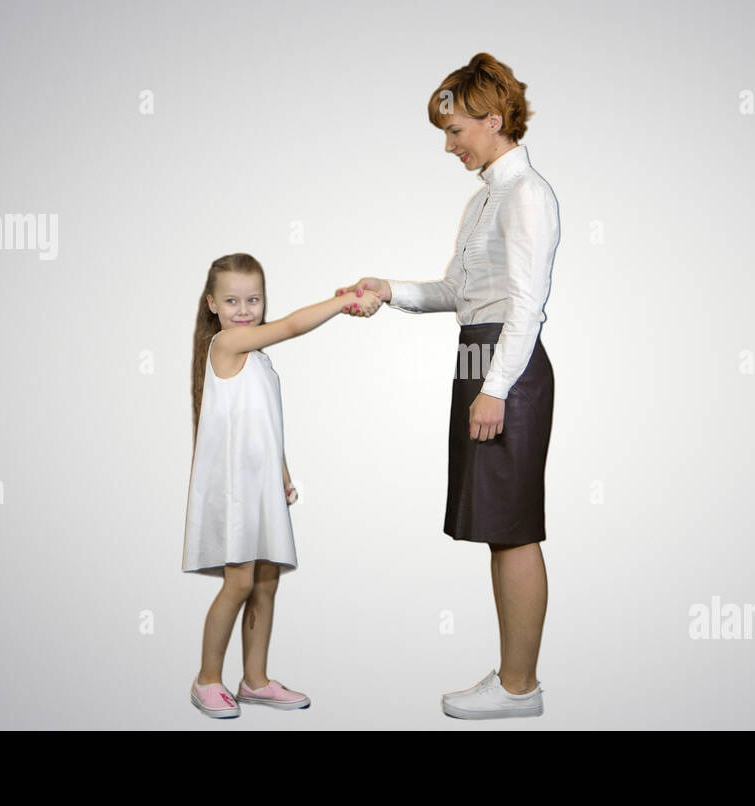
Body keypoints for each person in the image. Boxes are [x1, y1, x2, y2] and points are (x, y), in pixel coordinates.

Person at [337, 53, 559, 719]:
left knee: (515, 527)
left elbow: (527, 305)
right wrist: (388, 290)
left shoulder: (528, 195)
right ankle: (512, 676)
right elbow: (460, 292)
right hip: (479, 359)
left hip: (505, 368)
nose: (448, 144)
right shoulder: (485, 196)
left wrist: (494, 388)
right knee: (498, 526)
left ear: (493, 121)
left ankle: (521, 687)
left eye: (456, 129)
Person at [184, 252, 380, 718]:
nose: (244, 308)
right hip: (235, 487)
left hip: (262, 484)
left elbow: (264, 423)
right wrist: (344, 302)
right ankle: (206, 679)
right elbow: (292, 325)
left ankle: (255, 680)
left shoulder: (257, 358)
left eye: (253, 298)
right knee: (239, 581)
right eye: (231, 300)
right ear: (212, 303)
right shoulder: (226, 344)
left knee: (266, 582)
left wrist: (283, 474)